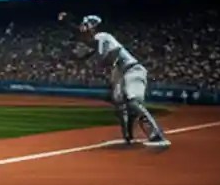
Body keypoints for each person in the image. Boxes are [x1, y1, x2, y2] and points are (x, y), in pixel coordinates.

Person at [58, 12, 169, 147]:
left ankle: (157, 134)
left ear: (93, 27)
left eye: (85, 25)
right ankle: (128, 136)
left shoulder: (103, 37)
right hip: (121, 73)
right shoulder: (96, 41)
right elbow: (84, 37)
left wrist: (87, 58)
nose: (82, 28)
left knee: (133, 102)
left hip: (132, 70)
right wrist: (67, 23)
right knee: (119, 104)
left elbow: (110, 54)